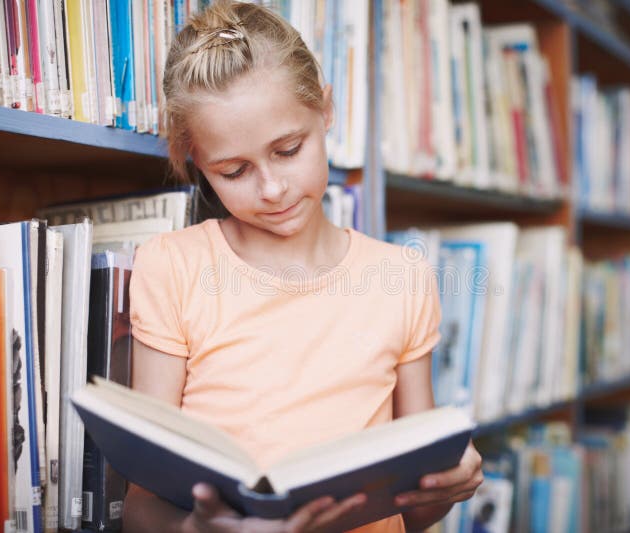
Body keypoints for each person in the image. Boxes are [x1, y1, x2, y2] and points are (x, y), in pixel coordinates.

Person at [122, 2, 482, 531]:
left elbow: (416, 510)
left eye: (289, 149)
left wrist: (451, 484)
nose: (272, 189)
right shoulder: (171, 267)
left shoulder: (403, 277)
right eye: (235, 170)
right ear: (197, 161)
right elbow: (140, 506)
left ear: (325, 110)